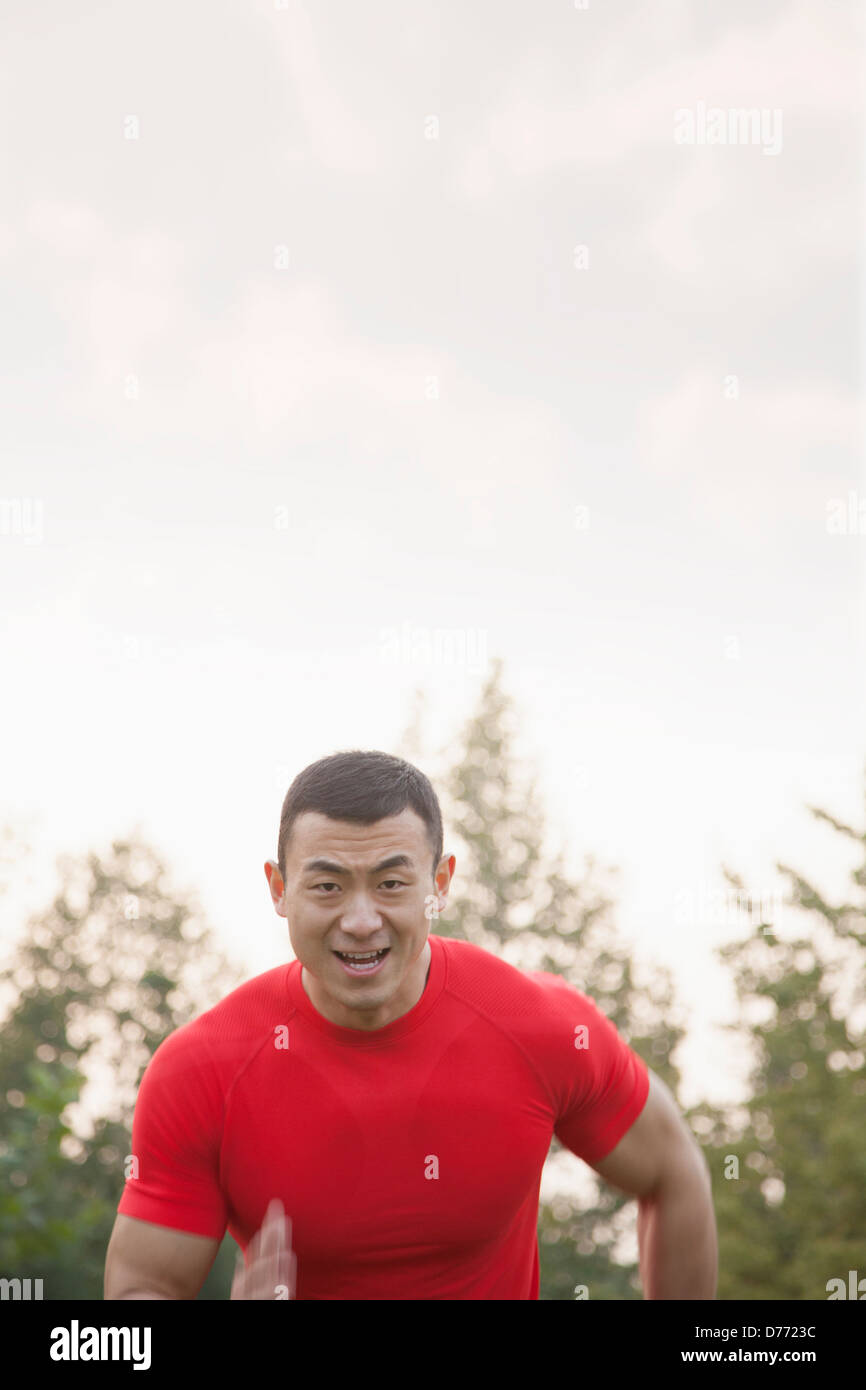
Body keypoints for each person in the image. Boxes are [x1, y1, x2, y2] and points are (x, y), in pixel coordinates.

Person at [104, 749, 717, 1300]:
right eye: (327, 886)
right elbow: (140, 1291)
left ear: (439, 885)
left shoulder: (538, 1024)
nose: (362, 919)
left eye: (392, 883)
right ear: (279, 889)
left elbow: (672, 1174)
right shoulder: (201, 1069)